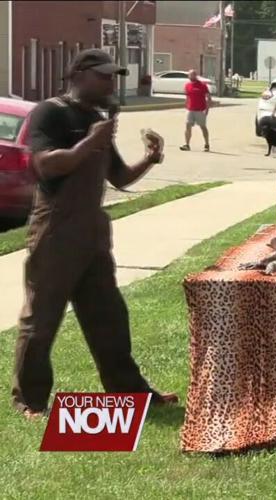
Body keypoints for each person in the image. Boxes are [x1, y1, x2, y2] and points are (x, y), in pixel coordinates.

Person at [12, 49, 177, 419]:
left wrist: (150, 158)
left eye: (113, 77)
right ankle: (30, 400)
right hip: (56, 230)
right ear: (79, 74)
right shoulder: (51, 112)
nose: (110, 83)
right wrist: (89, 141)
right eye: (103, 76)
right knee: (42, 319)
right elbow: (45, 165)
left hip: (92, 234)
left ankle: (131, 393)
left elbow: (118, 177)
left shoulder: (96, 119)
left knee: (109, 318)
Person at [179, 69, 211, 152]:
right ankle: (187, 145)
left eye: (192, 75)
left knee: (203, 127)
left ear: (195, 75)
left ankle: (206, 144)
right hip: (190, 109)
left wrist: (207, 109)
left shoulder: (202, 85)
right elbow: (187, 97)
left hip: (200, 110)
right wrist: (186, 106)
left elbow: (208, 98)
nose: (190, 76)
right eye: (189, 75)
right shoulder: (187, 85)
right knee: (187, 125)